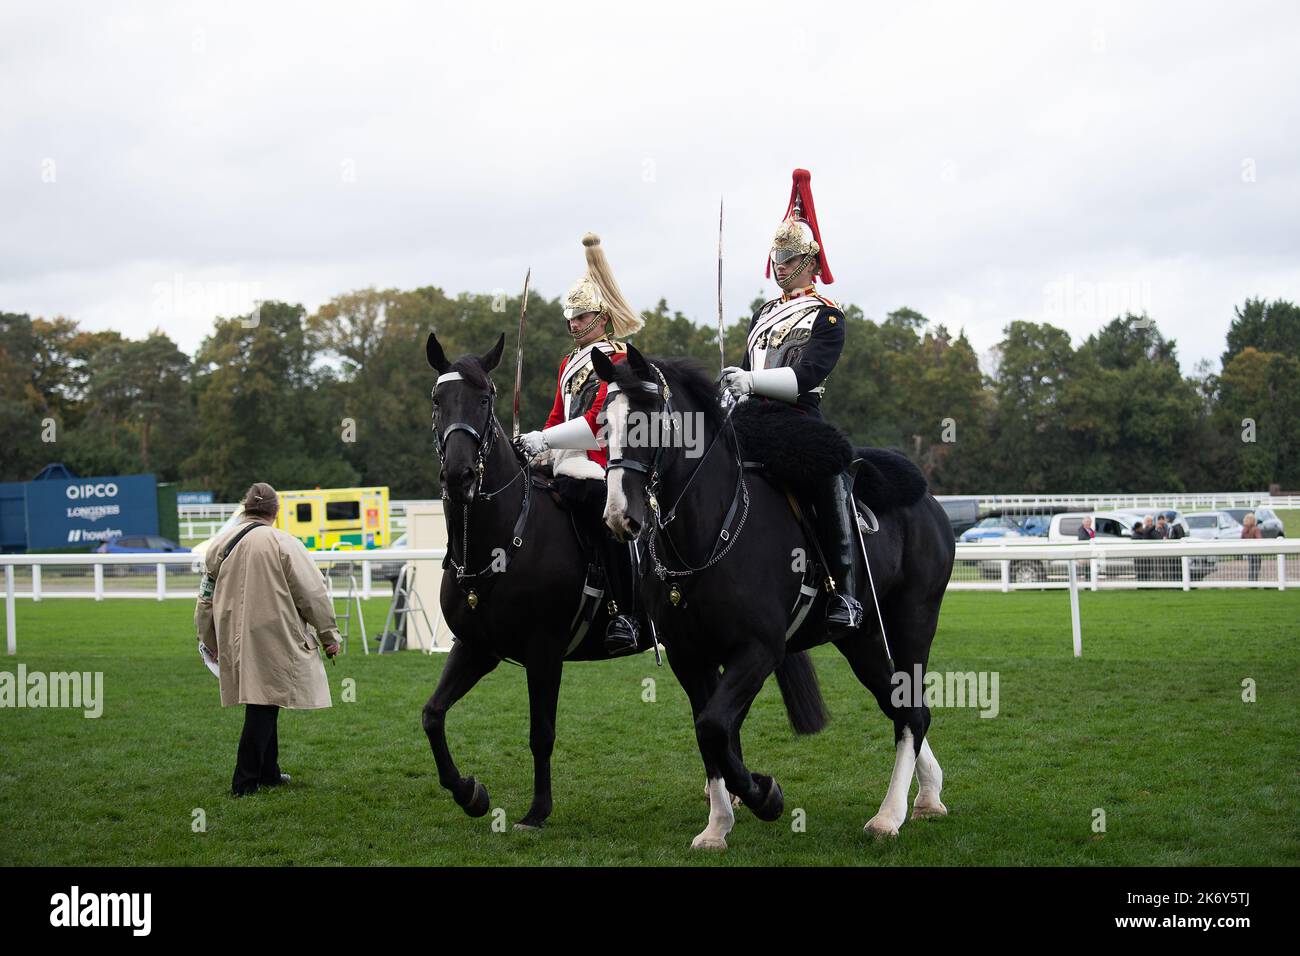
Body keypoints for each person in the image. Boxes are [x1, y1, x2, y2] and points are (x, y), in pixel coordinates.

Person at [721, 169, 863, 630]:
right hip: (747, 417)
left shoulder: (828, 316)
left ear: (808, 261)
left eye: (786, 259)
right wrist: (730, 390)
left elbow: (806, 376)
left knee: (829, 471)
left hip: (796, 416)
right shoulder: (764, 314)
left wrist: (752, 383)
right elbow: (747, 365)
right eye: (775, 258)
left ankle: (844, 591)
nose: (778, 267)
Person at [514, 233, 645, 654]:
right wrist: (534, 444)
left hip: (605, 460)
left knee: (602, 510)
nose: (573, 323)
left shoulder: (618, 359)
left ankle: (624, 611)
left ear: (601, 316)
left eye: (581, 315)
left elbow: (594, 424)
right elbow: (558, 417)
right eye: (570, 315)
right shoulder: (567, 363)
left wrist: (545, 440)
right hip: (566, 457)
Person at [195, 482, 340, 796]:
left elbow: (205, 600)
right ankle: (244, 782)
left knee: (265, 700)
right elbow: (313, 594)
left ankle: (268, 772)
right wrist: (329, 635)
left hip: (234, 636)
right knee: (263, 703)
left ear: (245, 508)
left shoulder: (218, 545)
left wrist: (209, 640)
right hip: (276, 635)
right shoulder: (284, 543)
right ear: (275, 511)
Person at [1242, 511, 1263, 581]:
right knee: (1256, 567)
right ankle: (1254, 582)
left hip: (1249, 550)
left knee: (1251, 566)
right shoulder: (1256, 529)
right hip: (1256, 551)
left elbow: (1242, 539)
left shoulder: (1244, 530)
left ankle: (1250, 581)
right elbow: (1259, 539)